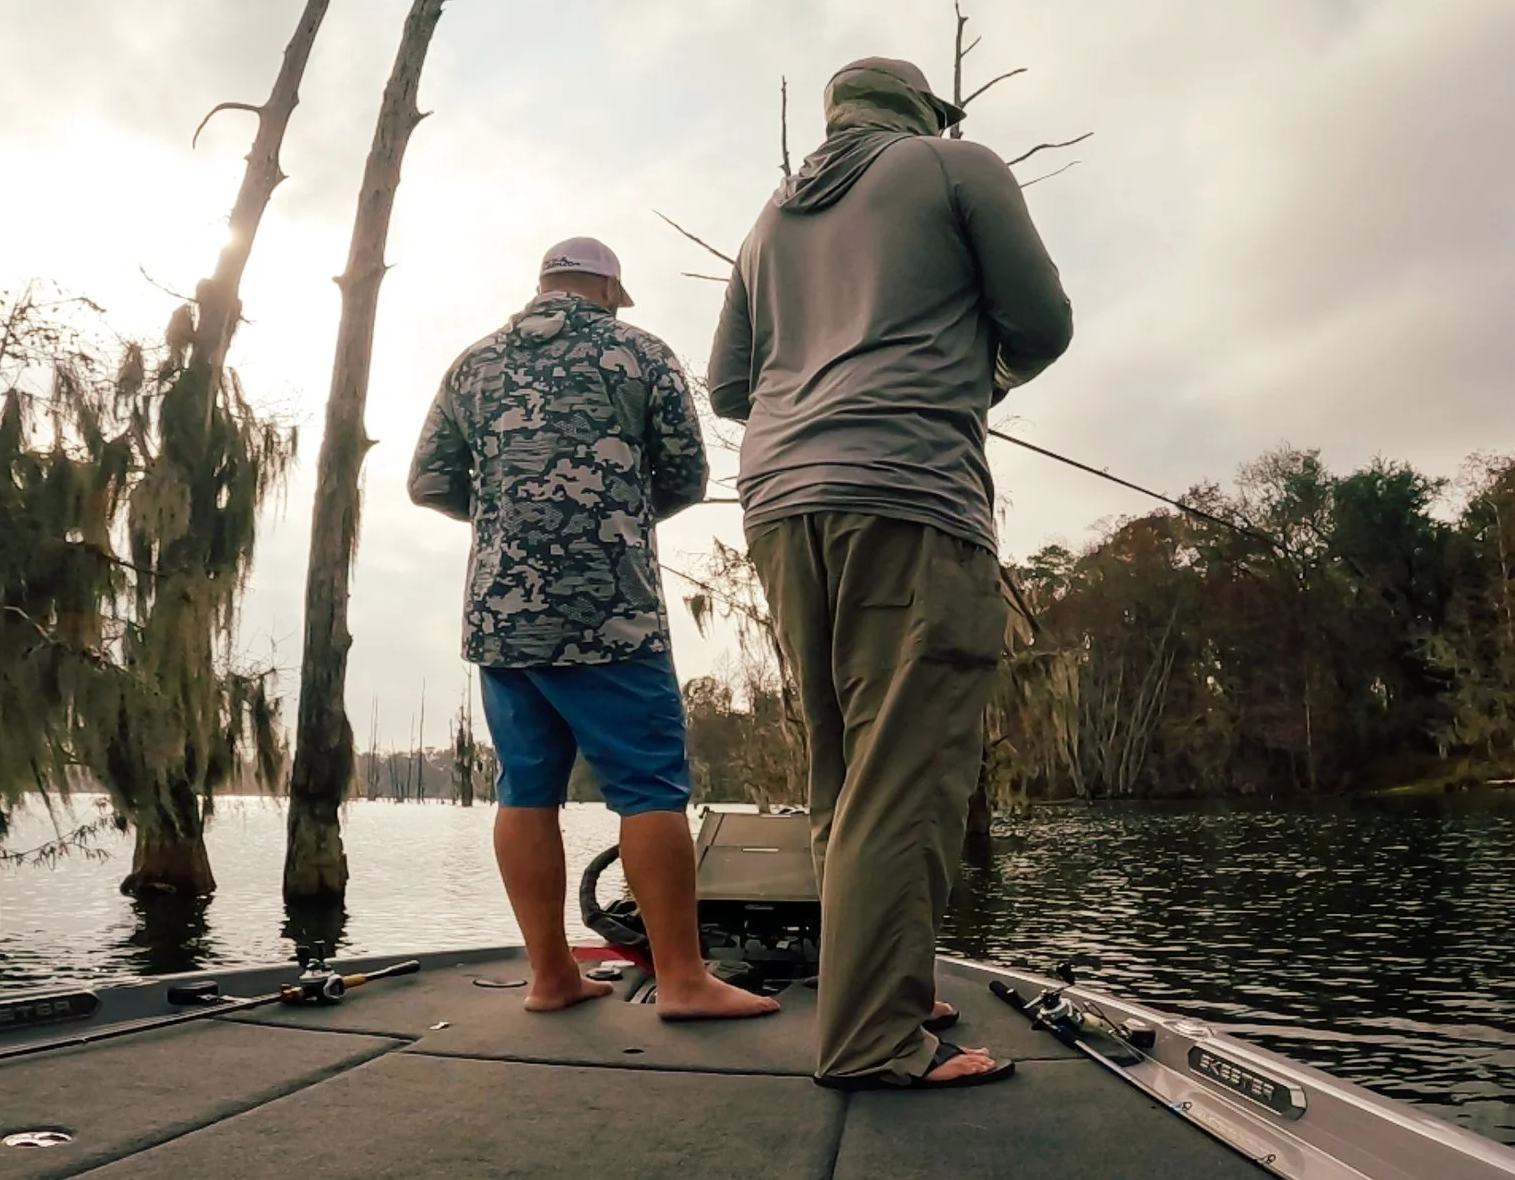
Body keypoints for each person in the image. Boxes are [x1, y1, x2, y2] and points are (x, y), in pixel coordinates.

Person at [708, 58, 1073, 1089]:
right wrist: (979, 376)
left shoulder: (767, 223)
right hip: (908, 490)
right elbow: (1042, 326)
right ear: (919, 112)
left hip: (779, 504)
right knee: (906, 768)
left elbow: (729, 386)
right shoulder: (957, 166)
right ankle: (874, 1037)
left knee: (842, 765)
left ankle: (879, 985)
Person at [410, 236, 778, 1023]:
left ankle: (551, 978)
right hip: (611, 610)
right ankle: (682, 982)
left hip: (503, 614)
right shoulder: (640, 352)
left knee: (525, 788)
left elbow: (428, 481)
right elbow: (686, 475)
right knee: (648, 789)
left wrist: (515, 517)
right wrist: (607, 516)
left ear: (544, 283)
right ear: (609, 288)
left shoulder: (473, 363)